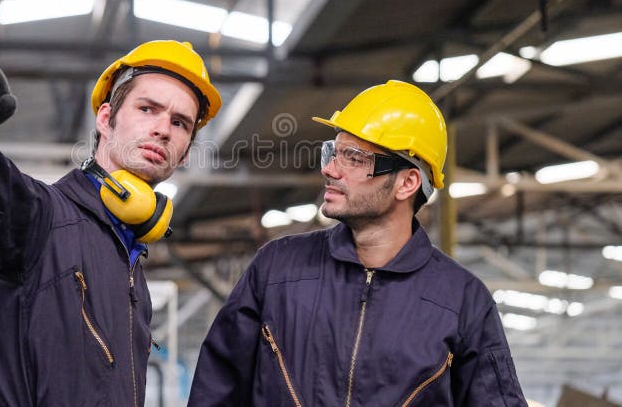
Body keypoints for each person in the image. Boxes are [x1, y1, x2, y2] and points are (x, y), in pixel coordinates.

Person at [188, 80, 526, 406]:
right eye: (333, 153)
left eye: (353, 158)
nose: (330, 170)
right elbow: (215, 390)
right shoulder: (278, 268)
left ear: (406, 183)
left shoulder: (462, 301)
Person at [0, 40, 221, 406]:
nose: (163, 129)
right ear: (106, 118)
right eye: (148, 109)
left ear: (186, 152)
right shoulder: (41, 218)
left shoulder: (132, 270)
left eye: (179, 123)